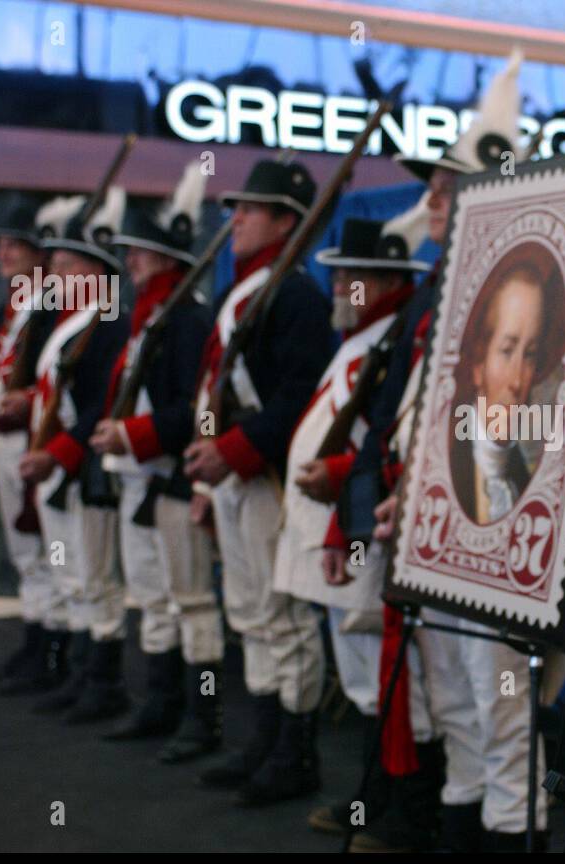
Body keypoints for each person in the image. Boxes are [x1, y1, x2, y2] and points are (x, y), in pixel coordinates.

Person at [333, 49, 552, 852]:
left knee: (500, 717)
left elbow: (532, 436)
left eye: (448, 185)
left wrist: (441, 493)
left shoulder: (530, 296)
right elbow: (388, 420)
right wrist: (374, 509)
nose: (430, 196)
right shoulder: (431, 296)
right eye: (432, 183)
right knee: (457, 710)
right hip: (422, 536)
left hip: (491, 534)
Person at [270, 212, 432, 835]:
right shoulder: (361, 341)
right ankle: (373, 798)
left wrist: (339, 475)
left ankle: (400, 809)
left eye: (355, 278)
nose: (341, 289)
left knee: (380, 672)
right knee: (362, 671)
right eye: (338, 278)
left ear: (387, 282)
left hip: (364, 524)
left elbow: (378, 441)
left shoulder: (390, 341)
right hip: (344, 523)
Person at [185, 158, 335, 807]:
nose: (236, 218)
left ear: (285, 221)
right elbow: (214, 384)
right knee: (249, 611)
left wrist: (236, 450)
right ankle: (265, 737)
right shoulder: (240, 294)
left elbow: (301, 393)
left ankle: (294, 752)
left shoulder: (296, 295)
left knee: (284, 616)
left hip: (267, 472)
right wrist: (208, 452)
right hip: (233, 470)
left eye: (250, 209)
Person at [90, 161, 225, 761]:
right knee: (152, 595)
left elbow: (193, 409)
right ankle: (162, 702)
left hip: (168, 473)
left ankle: (202, 717)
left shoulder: (188, 318)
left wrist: (134, 434)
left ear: (170, 258)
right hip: (138, 473)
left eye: (143, 252)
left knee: (193, 602)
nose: (133, 261)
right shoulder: (149, 319)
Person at [19, 190, 132, 722]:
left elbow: (97, 406)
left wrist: (59, 455)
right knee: (69, 573)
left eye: (65, 262)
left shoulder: (106, 323)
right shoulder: (70, 321)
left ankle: (102, 680)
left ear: (94, 268)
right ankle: (82, 672)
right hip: (56, 466)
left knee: (93, 574)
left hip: (80, 468)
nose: (54, 270)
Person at [0, 200, 62, 694]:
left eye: (15, 245)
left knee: (51, 552)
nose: (4, 254)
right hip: (5, 441)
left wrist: (28, 400)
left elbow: (60, 383)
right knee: (24, 552)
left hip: (37, 441)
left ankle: (55, 650)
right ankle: (35, 641)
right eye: (1, 245)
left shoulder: (51, 306)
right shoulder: (12, 305)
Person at [447, 244, 563, 523]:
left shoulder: (528, 478)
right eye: (507, 351)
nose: (518, 379)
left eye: (530, 355)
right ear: (478, 364)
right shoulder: (448, 464)